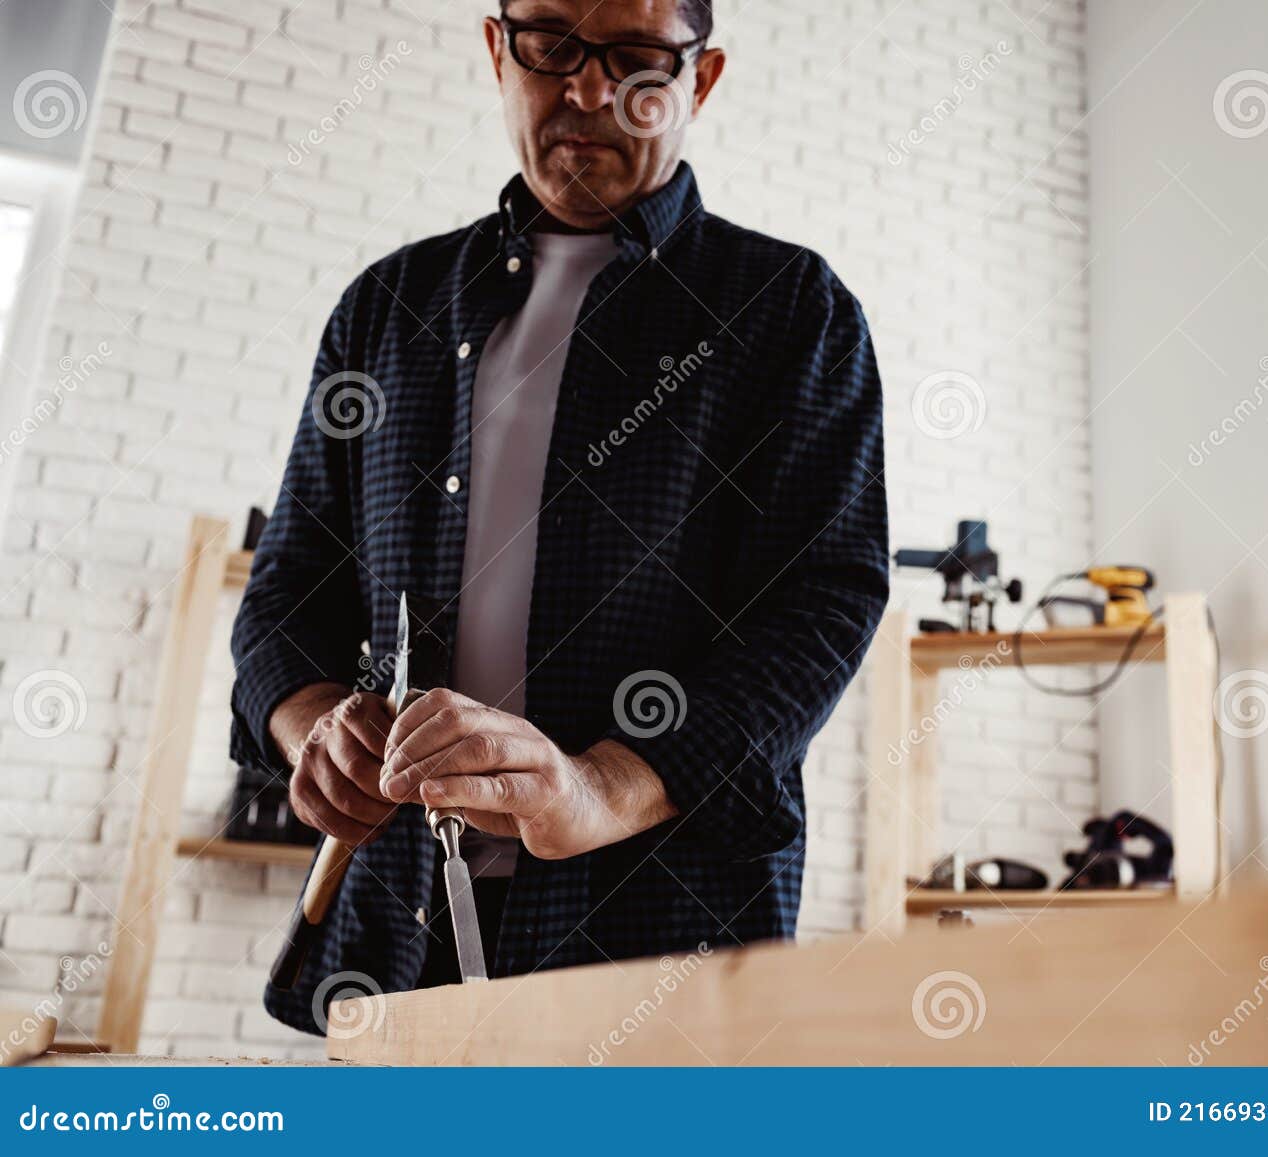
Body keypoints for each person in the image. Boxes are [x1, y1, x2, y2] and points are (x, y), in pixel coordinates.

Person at [231, 0, 888, 1034]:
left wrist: (594, 790)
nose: (587, 90)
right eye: (550, 44)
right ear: (498, 50)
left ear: (699, 79)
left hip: (666, 935)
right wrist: (312, 727)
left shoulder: (791, 310)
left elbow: (821, 605)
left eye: (633, 57)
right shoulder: (385, 305)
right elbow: (286, 586)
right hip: (395, 934)